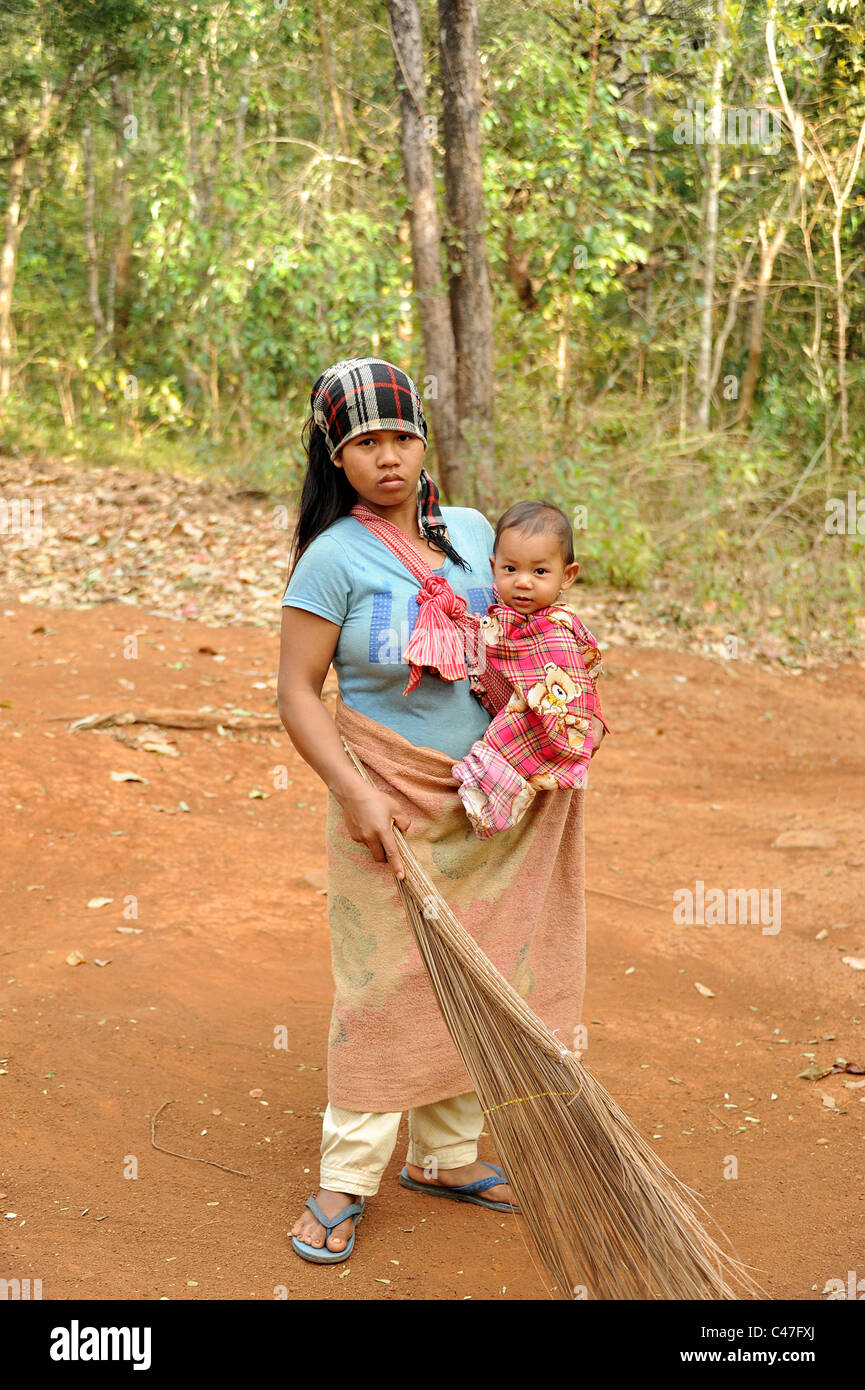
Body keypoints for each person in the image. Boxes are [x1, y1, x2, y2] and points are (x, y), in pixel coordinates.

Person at [277, 356, 600, 1264]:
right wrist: (357, 793)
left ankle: (446, 1156)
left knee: (481, 973)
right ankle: (346, 1177)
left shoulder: (468, 533)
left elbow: (523, 631)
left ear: (425, 442)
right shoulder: (331, 558)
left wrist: (560, 708)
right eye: (365, 442)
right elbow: (297, 693)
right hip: (388, 800)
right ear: (334, 456)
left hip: (489, 805)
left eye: (402, 437)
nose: (388, 457)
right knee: (381, 983)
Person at [451, 499, 610, 839]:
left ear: (566, 576)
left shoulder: (560, 629)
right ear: (494, 567)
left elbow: (582, 677)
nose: (523, 582)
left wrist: (594, 715)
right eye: (511, 569)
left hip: (547, 725)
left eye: (539, 572)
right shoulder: (496, 619)